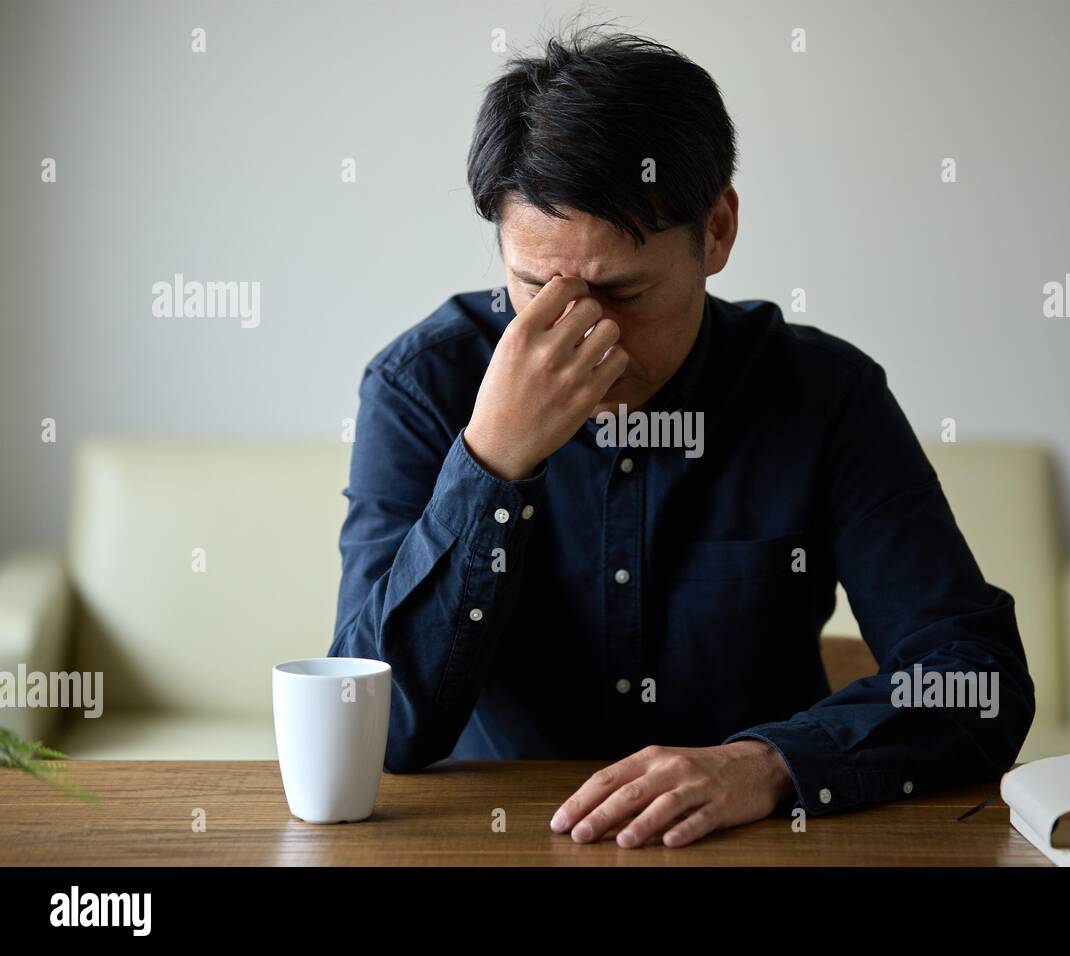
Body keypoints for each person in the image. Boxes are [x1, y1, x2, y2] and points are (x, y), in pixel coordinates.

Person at [328, 23, 1034, 850]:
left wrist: (767, 764)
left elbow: (976, 680)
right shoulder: (421, 387)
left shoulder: (823, 395)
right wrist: (491, 463)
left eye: (623, 293)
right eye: (534, 288)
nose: (580, 338)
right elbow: (374, 731)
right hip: (500, 844)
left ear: (719, 231)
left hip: (759, 844)